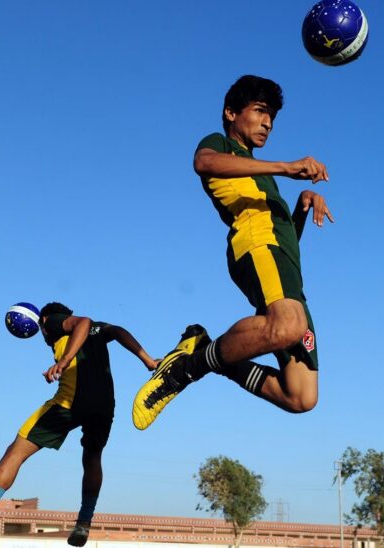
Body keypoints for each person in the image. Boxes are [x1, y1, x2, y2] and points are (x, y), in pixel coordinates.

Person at [133, 74, 333, 430]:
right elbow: (204, 163)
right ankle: (188, 368)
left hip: (283, 266)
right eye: (260, 111)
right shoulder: (222, 146)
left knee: (301, 396)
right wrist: (286, 167)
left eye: (272, 116)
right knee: (289, 325)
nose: (268, 123)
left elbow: (285, 242)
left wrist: (300, 209)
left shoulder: (263, 177)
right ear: (231, 113)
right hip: (255, 245)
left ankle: (207, 351)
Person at [0, 302, 158, 548]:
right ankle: (84, 522)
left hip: (70, 402)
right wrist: (147, 360)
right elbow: (117, 330)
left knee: (15, 452)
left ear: (44, 322)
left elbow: (83, 321)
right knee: (92, 458)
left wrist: (64, 360)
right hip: (104, 406)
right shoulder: (98, 329)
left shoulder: (52, 322)